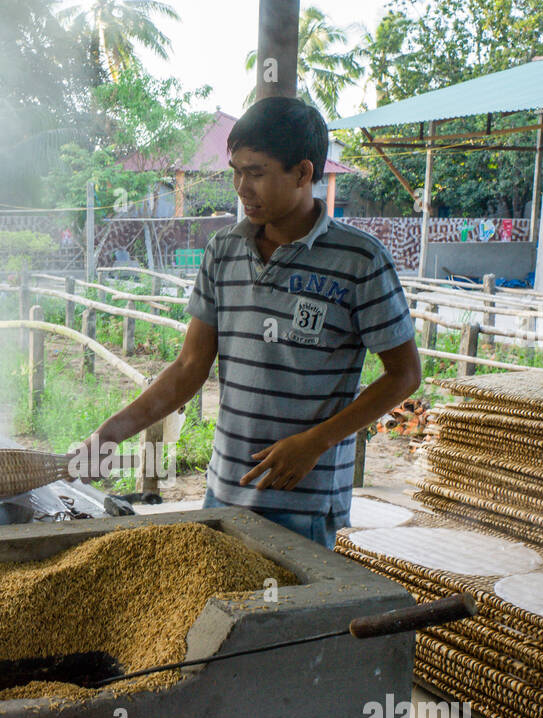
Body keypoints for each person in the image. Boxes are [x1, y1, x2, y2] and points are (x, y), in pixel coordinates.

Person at [80, 96, 421, 550]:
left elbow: (405, 375)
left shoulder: (361, 259)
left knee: (287, 619)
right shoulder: (223, 250)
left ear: (303, 173)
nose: (242, 186)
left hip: (306, 503)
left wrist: (316, 442)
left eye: (256, 172)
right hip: (222, 493)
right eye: (236, 171)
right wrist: (109, 434)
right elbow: (189, 368)